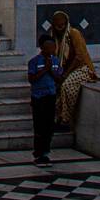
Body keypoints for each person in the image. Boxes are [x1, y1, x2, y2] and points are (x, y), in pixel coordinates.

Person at [50, 9, 97, 128]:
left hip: (82, 68)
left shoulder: (74, 33)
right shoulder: (54, 37)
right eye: (57, 26)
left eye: (62, 25)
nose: (60, 28)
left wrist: (65, 74)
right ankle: (57, 118)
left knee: (67, 86)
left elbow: (79, 57)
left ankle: (67, 119)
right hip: (64, 70)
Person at [27, 34, 63, 166]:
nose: (51, 50)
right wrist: (45, 70)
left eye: (53, 47)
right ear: (42, 48)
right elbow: (31, 79)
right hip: (38, 97)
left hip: (50, 95)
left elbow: (60, 78)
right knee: (39, 126)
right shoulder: (34, 61)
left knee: (49, 126)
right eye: (48, 47)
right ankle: (38, 152)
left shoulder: (55, 61)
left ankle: (46, 152)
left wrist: (51, 71)